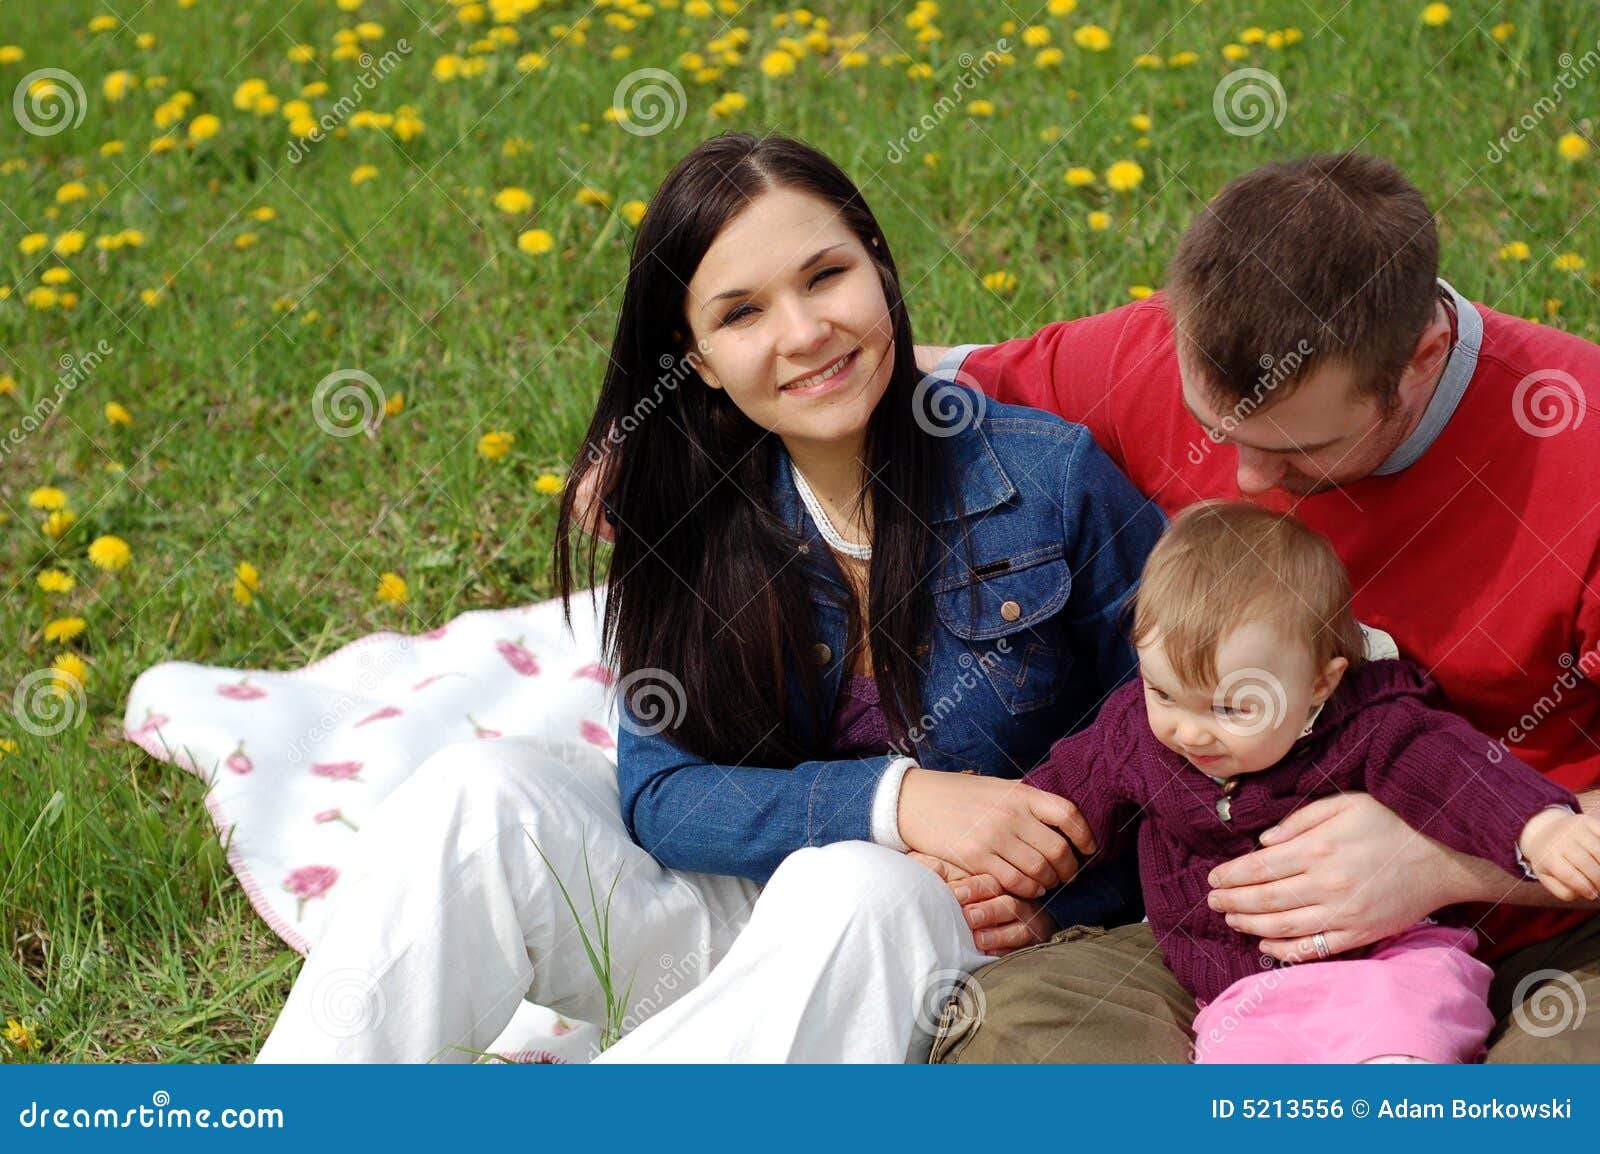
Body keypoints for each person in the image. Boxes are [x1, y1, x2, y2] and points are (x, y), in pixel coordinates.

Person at [256, 131, 1165, 1063]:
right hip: (752, 932)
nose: (804, 332)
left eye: (825, 276)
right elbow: (662, 790)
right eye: (741, 313)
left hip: (954, 943)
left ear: (882, 269)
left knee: (856, 888)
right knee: (477, 794)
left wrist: (1054, 899)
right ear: (695, 359)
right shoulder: (688, 507)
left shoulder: (1050, 482)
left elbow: (1186, 742)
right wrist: (896, 802)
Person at [916, 152, 1600, 1063]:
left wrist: (1441, 863)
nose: (1244, 480)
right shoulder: (1156, 350)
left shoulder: (1576, 441)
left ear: (1421, 357)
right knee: (1015, 1031)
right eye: (1216, 430)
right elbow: (902, 388)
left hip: (1545, 934)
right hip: (1223, 943)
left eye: (1302, 447)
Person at [1023, 501, 1596, 1064]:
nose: (1190, 732)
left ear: (1319, 685)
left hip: (1394, 962)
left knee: (1401, 1041)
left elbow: (1463, 775)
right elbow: (1059, 800)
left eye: (1232, 708)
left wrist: (1542, 831)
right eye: (1164, 693)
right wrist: (987, 858)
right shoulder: (1134, 735)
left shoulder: (1373, 727)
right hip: (1242, 991)